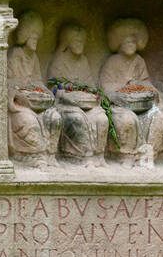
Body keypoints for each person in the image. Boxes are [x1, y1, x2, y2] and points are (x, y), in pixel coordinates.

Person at [100, 18, 163, 166]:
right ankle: (126, 155)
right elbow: (105, 87)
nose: (131, 45)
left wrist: (152, 90)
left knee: (157, 116)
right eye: (127, 42)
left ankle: (149, 152)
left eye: (133, 42)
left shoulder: (139, 61)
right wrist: (121, 92)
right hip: (119, 104)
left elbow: (144, 81)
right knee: (128, 119)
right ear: (119, 44)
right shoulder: (112, 62)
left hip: (140, 103)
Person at [46, 23, 109, 164]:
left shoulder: (84, 61)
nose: (80, 44)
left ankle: (98, 157)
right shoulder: (59, 60)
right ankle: (77, 157)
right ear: (67, 42)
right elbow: (53, 87)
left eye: (82, 41)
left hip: (86, 103)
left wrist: (93, 95)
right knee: (77, 118)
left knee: (102, 119)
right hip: (66, 105)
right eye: (76, 41)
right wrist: (66, 95)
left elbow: (91, 86)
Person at [6, 12, 61, 165]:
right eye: (33, 38)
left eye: (37, 39)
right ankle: (30, 156)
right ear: (25, 37)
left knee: (54, 118)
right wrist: (20, 92)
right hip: (18, 104)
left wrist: (45, 92)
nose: (36, 42)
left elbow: (37, 81)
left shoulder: (34, 57)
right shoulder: (15, 54)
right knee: (29, 121)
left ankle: (50, 155)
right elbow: (9, 82)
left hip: (35, 101)